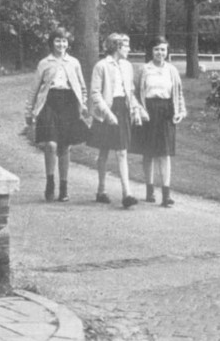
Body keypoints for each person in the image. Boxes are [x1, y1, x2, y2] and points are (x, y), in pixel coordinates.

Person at [25, 27, 90, 202]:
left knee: (64, 147)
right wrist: (29, 112)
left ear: (68, 43)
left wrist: (82, 104)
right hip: (49, 103)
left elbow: (83, 88)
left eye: (64, 41)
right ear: (51, 43)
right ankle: (50, 182)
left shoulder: (74, 63)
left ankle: (64, 187)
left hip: (68, 104)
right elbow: (34, 90)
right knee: (51, 145)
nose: (61, 44)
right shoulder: (44, 63)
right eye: (57, 40)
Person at [87, 32, 146, 208]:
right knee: (104, 151)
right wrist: (107, 113)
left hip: (123, 109)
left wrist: (136, 109)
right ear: (117, 47)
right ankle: (101, 190)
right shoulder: (101, 66)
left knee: (122, 151)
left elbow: (131, 92)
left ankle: (126, 193)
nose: (129, 49)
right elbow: (95, 93)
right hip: (107, 110)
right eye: (126, 46)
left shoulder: (128, 66)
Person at [132, 37, 186, 207]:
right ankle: (149, 190)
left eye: (163, 49)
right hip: (148, 111)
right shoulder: (143, 69)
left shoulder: (172, 70)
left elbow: (178, 93)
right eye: (156, 49)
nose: (160, 53)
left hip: (166, 112)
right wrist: (140, 111)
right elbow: (134, 94)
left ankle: (166, 194)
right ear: (151, 51)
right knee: (148, 152)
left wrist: (180, 111)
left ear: (167, 51)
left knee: (164, 153)